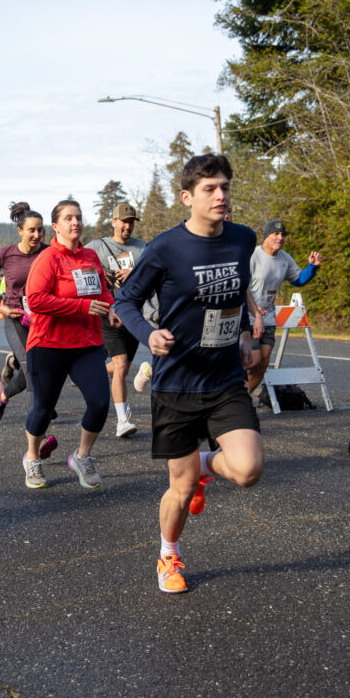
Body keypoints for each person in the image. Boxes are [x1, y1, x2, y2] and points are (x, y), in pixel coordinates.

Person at [116, 154, 265, 594]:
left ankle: (202, 463)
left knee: (249, 469)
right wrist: (149, 334)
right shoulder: (164, 247)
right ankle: (168, 553)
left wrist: (241, 336)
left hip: (223, 381)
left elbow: (233, 292)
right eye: (210, 189)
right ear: (188, 197)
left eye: (225, 188)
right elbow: (125, 300)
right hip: (176, 383)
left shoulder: (243, 239)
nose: (221, 196)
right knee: (179, 492)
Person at [18, 199, 114, 490]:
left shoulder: (90, 258)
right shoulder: (48, 259)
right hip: (49, 344)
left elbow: (104, 292)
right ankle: (32, 457)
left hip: (86, 344)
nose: (76, 223)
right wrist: (81, 308)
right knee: (43, 409)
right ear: (56, 227)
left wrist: (113, 308)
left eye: (79, 217)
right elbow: (35, 300)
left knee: (99, 402)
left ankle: (82, 456)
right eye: (69, 218)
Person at [0, 202, 46, 423]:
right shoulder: (7, 254)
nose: (36, 235)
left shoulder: (49, 253)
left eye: (40, 230)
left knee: (38, 371)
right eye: (31, 230)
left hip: (42, 321)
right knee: (32, 371)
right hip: (16, 319)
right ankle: (37, 430)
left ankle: (2, 394)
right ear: (20, 231)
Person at [86, 202, 149, 438]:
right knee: (121, 365)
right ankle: (122, 421)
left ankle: (90, 374)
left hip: (134, 314)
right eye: (124, 221)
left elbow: (158, 276)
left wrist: (136, 273)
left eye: (131, 222)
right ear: (114, 222)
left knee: (121, 368)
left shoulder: (144, 250)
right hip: (108, 313)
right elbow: (80, 266)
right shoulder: (96, 248)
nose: (128, 226)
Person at [245, 218, 323, 402]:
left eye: (283, 235)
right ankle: (230, 397)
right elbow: (241, 286)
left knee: (263, 363)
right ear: (266, 236)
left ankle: (243, 399)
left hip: (269, 317)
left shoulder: (285, 259)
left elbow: (299, 280)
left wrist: (312, 267)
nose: (280, 238)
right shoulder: (252, 256)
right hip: (249, 316)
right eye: (276, 234)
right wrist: (254, 310)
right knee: (253, 360)